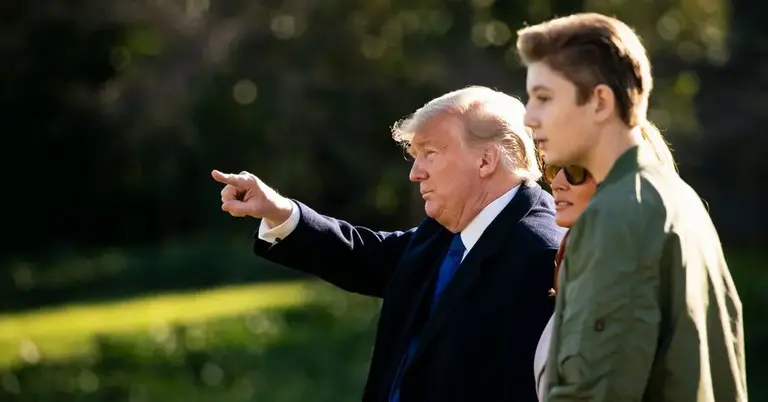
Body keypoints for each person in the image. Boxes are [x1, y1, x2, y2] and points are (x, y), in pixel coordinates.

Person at [212, 86, 564, 402]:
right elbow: (365, 256)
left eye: (431, 153)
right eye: (415, 156)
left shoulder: (539, 255)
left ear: (486, 159)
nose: (415, 172)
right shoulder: (443, 231)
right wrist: (278, 210)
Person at [517, 12, 747, 402]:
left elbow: (591, 393)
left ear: (600, 101)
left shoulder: (617, 213)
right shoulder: (677, 197)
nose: (529, 116)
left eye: (543, 97)